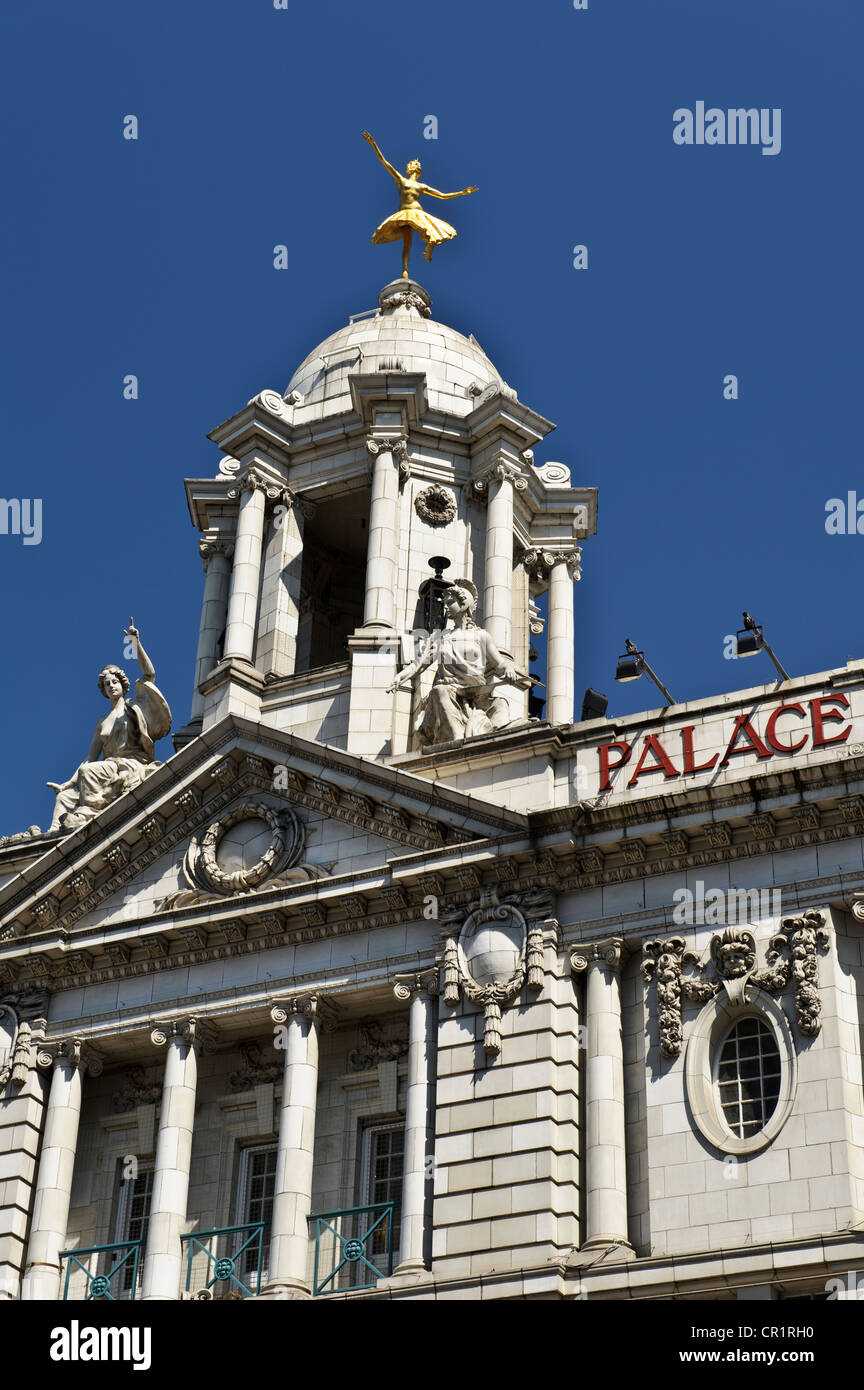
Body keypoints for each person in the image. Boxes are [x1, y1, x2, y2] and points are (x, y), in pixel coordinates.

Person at [47, 620, 172, 834]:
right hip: (106, 768)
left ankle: (84, 813)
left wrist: (135, 644)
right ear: (104, 690)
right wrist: (68, 784)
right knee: (64, 798)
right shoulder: (102, 722)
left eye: (115, 682)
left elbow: (149, 675)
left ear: (122, 684)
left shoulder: (135, 706)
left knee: (89, 772)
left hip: (130, 764)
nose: (112, 686)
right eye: (107, 684)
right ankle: (54, 833)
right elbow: (90, 757)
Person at [388, 582, 526, 746]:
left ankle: (497, 739)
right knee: (440, 691)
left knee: (500, 704)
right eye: (445, 604)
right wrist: (400, 677)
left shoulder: (481, 636)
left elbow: (500, 664)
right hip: (450, 691)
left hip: (477, 693)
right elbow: (418, 665)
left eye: (449, 603)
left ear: (464, 603)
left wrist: (509, 670)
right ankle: (458, 742)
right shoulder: (441, 637)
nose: (446, 608)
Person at [362, 131, 477, 279]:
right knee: (407, 245)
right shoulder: (401, 180)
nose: (409, 165)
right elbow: (386, 163)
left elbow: (442, 196)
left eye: (412, 164)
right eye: (410, 164)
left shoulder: (422, 186)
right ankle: (406, 270)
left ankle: (428, 248)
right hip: (405, 213)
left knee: (432, 231)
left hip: (417, 213)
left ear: (416, 168)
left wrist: (462, 192)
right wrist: (373, 144)